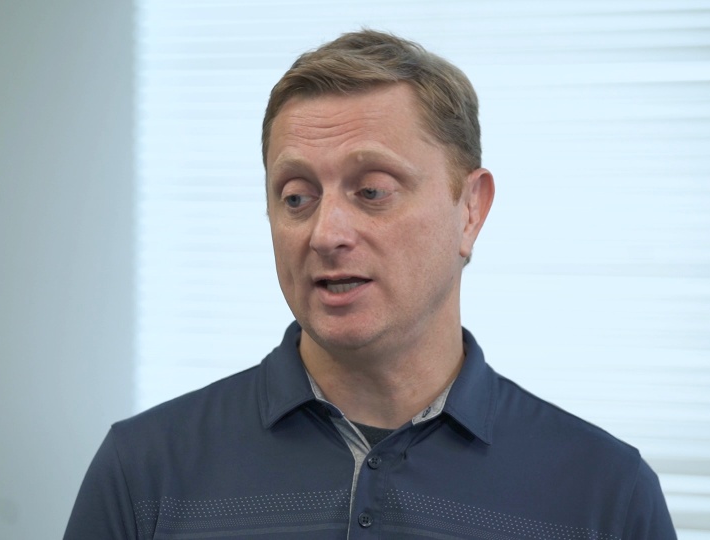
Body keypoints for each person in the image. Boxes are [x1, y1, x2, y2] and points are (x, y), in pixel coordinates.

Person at [64, 30, 676, 539]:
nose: (326, 233)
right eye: (296, 197)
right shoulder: (143, 472)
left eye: (372, 191)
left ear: (470, 210)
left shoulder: (605, 495)